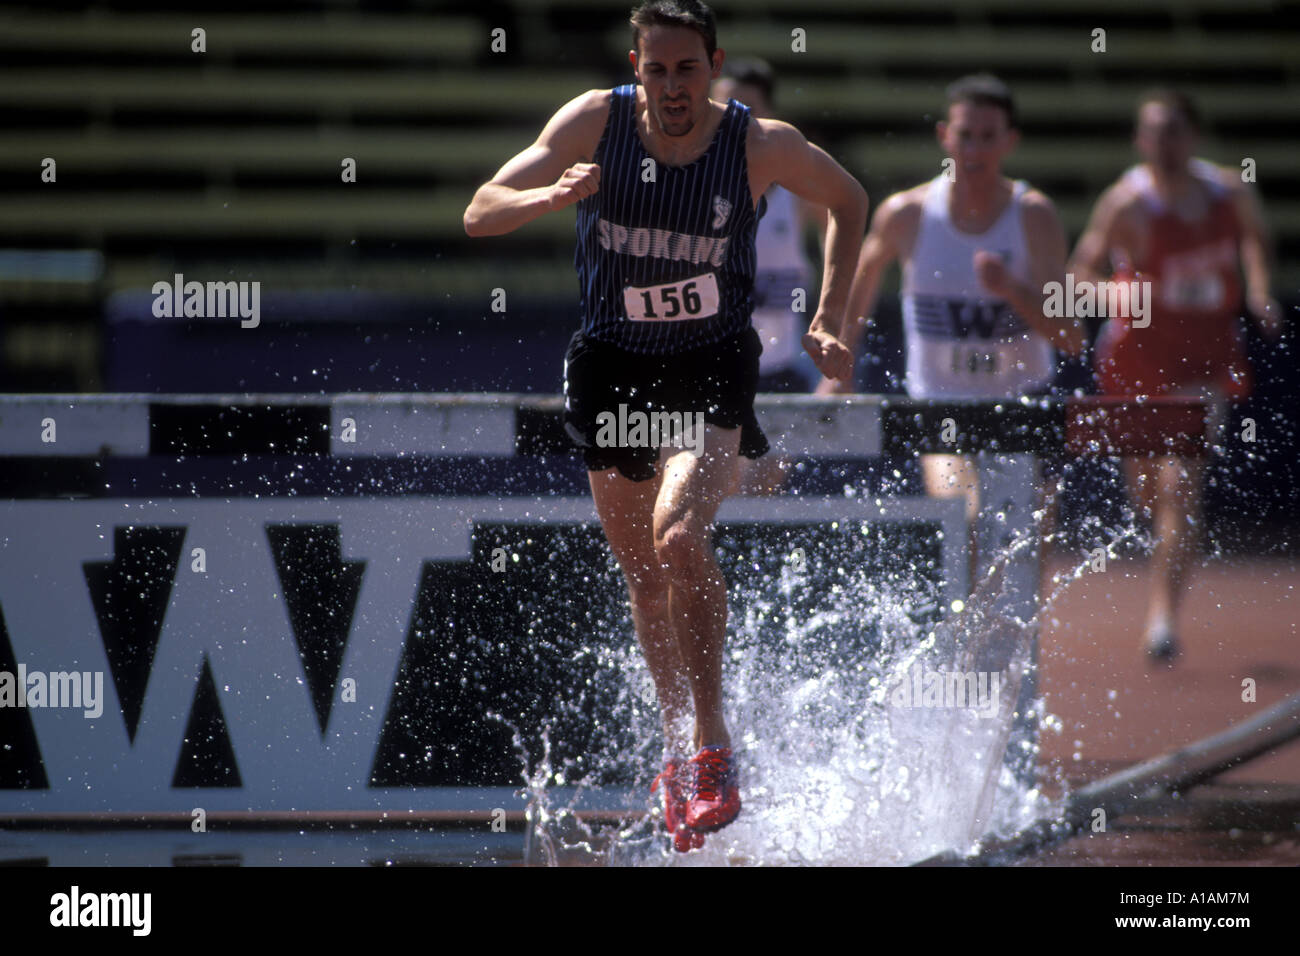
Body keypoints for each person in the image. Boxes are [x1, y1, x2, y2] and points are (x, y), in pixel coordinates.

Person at [463, 0, 867, 851]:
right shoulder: (593, 121)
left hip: (711, 362)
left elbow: (850, 199)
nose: (674, 86)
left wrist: (830, 316)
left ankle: (713, 745)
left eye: (689, 69)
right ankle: (677, 750)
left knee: (680, 537)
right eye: (658, 69)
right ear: (637, 68)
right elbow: (480, 211)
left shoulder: (757, 144)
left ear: (713, 66)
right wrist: (552, 194)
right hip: (612, 365)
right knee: (645, 575)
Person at [1069, 89, 1283, 662]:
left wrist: (1259, 291)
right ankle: (1161, 553)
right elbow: (1076, 278)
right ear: (1140, 140)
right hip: (1137, 364)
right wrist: (1123, 293)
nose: (1163, 145)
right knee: (1145, 496)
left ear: (1193, 136)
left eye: (1174, 132)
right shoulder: (1127, 205)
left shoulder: (1229, 194)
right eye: (1152, 133)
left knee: (1178, 487)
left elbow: (1255, 244)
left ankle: (1162, 619)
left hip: (1205, 363)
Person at [828, 74, 1084, 537]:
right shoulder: (907, 214)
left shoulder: (1034, 216)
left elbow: (1069, 336)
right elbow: (857, 288)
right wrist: (838, 367)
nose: (975, 150)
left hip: (1022, 403)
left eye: (988, 138)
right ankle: (960, 614)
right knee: (962, 518)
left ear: (1010, 142)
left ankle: (1011, 614)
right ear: (945, 135)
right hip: (941, 403)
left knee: (1024, 544)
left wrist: (1013, 291)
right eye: (965, 135)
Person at [712, 58, 829, 495]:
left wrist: (832, 314)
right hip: (710, 369)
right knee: (709, 498)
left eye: (749, 109)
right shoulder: (689, 189)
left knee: (753, 500)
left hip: (780, 372)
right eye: (726, 108)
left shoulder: (796, 193)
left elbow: (845, 223)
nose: (737, 121)